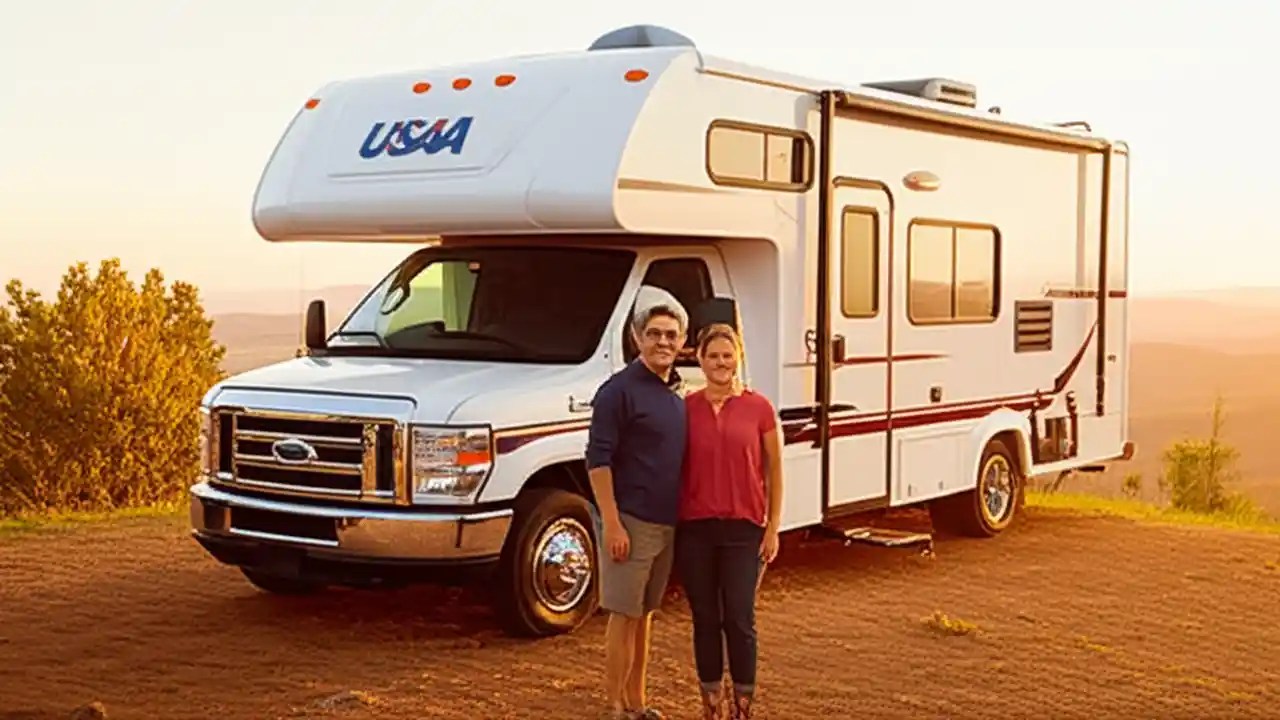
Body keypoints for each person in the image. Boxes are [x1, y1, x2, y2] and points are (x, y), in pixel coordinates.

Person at [585, 292, 690, 720]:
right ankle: (614, 705)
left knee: (644, 615)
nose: (663, 342)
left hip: (666, 523)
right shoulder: (618, 392)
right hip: (630, 521)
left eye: (671, 335)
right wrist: (612, 523)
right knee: (623, 615)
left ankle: (637, 702)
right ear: (636, 338)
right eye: (654, 334)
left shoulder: (674, 394)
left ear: (682, 341)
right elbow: (598, 460)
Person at [675, 323, 783, 720]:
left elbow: (774, 469)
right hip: (696, 530)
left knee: (739, 617)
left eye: (727, 355)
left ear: (738, 358)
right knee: (705, 618)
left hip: (744, 529)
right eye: (713, 356)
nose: (721, 363)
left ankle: (743, 706)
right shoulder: (685, 409)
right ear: (700, 360)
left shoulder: (759, 408)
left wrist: (772, 527)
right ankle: (711, 704)